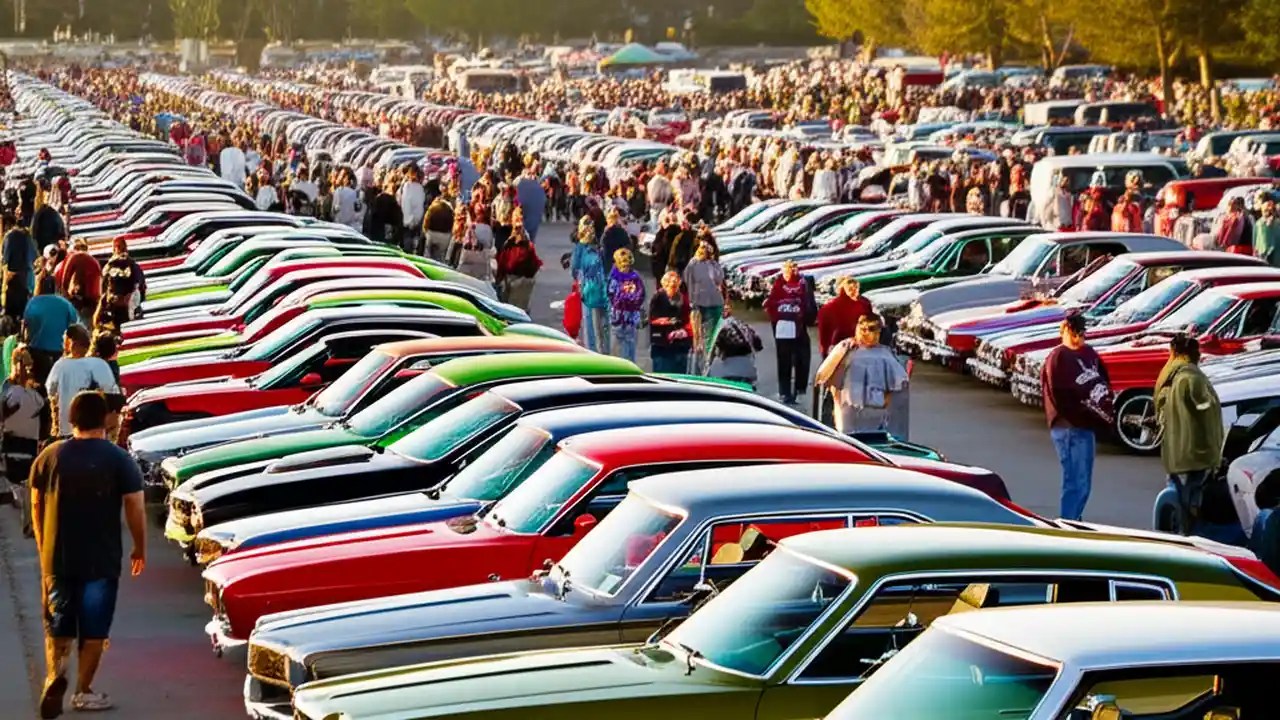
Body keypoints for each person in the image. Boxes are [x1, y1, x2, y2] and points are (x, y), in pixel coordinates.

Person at [30, 391, 145, 718]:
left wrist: (43, 545)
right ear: (106, 419)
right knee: (94, 629)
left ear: (71, 419)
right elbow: (135, 506)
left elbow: (36, 503)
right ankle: (83, 691)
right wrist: (139, 546)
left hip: (57, 556)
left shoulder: (49, 456)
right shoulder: (118, 459)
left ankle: (56, 674)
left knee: (59, 625)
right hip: (101, 558)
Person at [1040, 313, 1114, 521]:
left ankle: (1074, 518)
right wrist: (1077, 416)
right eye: (1074, 333)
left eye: (1081, 334)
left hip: (1085, 426)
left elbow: (1103, 384)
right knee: (1075, 480)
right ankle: (1069, 521)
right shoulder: (1057, 358)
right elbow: (1056, 394)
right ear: (1064, 331)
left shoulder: (1090, 354)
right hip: (1068, 427)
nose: (1078, 339)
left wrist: (1104, 414)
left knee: (1083, 481)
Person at [1154, 334, 1224, 535]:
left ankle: (1180, 533)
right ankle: (1188, 535)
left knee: (1178, 495)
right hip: (1195, 452)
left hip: (1177, 451)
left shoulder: (1170, 373)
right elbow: (1203, 406)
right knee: (1190, 501)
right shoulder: (1190, 377)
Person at [816, 314, 909, 434]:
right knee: (849, 441)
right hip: (848, 407)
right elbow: (823, 376)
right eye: (863, 329)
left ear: (879, 332)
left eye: (872, 329)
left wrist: (887, 400)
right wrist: (835, 394)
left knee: (871, 442)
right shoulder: (846, 348)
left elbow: (899, 382)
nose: (867, 333)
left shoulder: (885, 353)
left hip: (875, 409)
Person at [46, 325, 120, 439]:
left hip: (68, 429)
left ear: (70, 342)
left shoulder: (60, 366)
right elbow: (113, 394)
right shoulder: (100, 364)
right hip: (97, 430)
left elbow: (50, 391)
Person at [763, 259, 814, 405]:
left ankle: (799, 389)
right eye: (787, 271)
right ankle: (784, 391)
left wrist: (805, 316)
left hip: (799, 327)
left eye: (792, 271)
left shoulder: (803, 284)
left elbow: (809, 303)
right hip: (783, 328)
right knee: (784, 360)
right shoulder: (778, 284)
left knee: (802, 358)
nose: (789, 274)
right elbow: (771, 304)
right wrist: (779, 314)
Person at [23, 272, 78, 387]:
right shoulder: (65, 304)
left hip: (37, 350)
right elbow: (74, 325)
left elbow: (25, 327)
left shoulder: (32, 303)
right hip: (59, 351)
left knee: (40, 383)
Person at [569, 217, 609, 354]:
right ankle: (600, 350)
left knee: (591, 322)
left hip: (590, 287)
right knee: (599, 322)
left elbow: (575, 269)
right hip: (596, 286)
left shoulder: (581, 248)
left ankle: (593, 350)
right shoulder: (595, 247)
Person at [681, 240, 725, 360]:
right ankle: (699, 358)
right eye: (703, 250)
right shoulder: (693, 264)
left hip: (715, 301)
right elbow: (688, 281)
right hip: (699, 302)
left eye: (708, 252)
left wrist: (714, 263)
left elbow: (719, 279)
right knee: (698, 333)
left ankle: (710, 357)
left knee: (713, 332)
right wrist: (692, 300)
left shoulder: (713, 264)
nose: (705, 253)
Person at [494, 209, 541, 311]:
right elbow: (535, 264)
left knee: (509, 309)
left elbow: (502, 263)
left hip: (511, 281)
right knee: (522, 309)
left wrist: (499, 278)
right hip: (523, 282)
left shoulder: (509, 244)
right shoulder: (528, 245)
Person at [817, 276, 874, 357]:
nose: (855, 291)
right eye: (851, 288)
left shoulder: (827, 308)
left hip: (842, 349)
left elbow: (824, 336)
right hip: (856, 348)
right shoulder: (864, 303)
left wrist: (825, 352)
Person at [706, 305, 763, 386]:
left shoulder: (719, 327)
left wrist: (708, 368)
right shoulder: (742, 324)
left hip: (727, 371)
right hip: (747, 368)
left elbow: (711, 351)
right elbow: (758, 345)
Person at [648, 271, 692, 373]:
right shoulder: (658, 297)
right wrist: (667, 321)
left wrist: (684, 331)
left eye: (676, 286)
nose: (674, 289)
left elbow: (687, 319)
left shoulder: (683, 299)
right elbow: (653, 318)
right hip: (661, 343)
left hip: (679, 344)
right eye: (672, 286)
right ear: (665, 285)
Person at [607, 248, 646, 363]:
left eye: (627, 265)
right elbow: (611, 296)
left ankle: (629, 366)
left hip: (631, 317)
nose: (625, 268)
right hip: (618, 317)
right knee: (616, 346)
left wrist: (632, 301)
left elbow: (641, 294)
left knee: (630, 345)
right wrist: (626, 300)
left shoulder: (635, 278)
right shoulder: (614, 278)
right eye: (623, 265)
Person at [55, 239, 101, 328]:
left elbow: (61, 281)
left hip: (72, 300)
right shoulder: (93, 262)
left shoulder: (64, 263)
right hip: (89, 301)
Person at [99, 238, 142, 328]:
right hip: (129, 305)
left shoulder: (109, 266)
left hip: (114, 305)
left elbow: (102, 286)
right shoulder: (133, 265)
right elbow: (140, 285)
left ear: (114, 249)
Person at [2, 222, 38, 322]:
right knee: (24, 305)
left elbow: (5, 258)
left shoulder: (9, 236)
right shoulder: (28, 237)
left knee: (11, 307)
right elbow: (34, 257)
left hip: (12, 275)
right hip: (26, 276)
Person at [399, 164, 427, 255]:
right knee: (410, 245)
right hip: (412, 221)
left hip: (410, 221)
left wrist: (410, 220)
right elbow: (409, 205)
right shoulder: (413, 187)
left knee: (409, 245)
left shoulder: (410, 187)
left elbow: (406, 204)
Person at [423, 193, 455, 262]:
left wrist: (426, 231)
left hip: (431, 233)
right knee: (441, 256)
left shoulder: (433, 207)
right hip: (445, 236)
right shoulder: (449, 210)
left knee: (428, 256)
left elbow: (426, 220)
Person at [600, 207, 631, 274]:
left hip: (607, 260)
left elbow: (601, 243)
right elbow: (628, 242)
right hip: (619, 259)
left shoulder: (606, 232)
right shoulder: (621, 231)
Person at [1254, 196, 1280, 266]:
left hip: (1270, 257)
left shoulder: (1259, 223)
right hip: (1265, 257)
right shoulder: (1258, 223)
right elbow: (1255, 241)